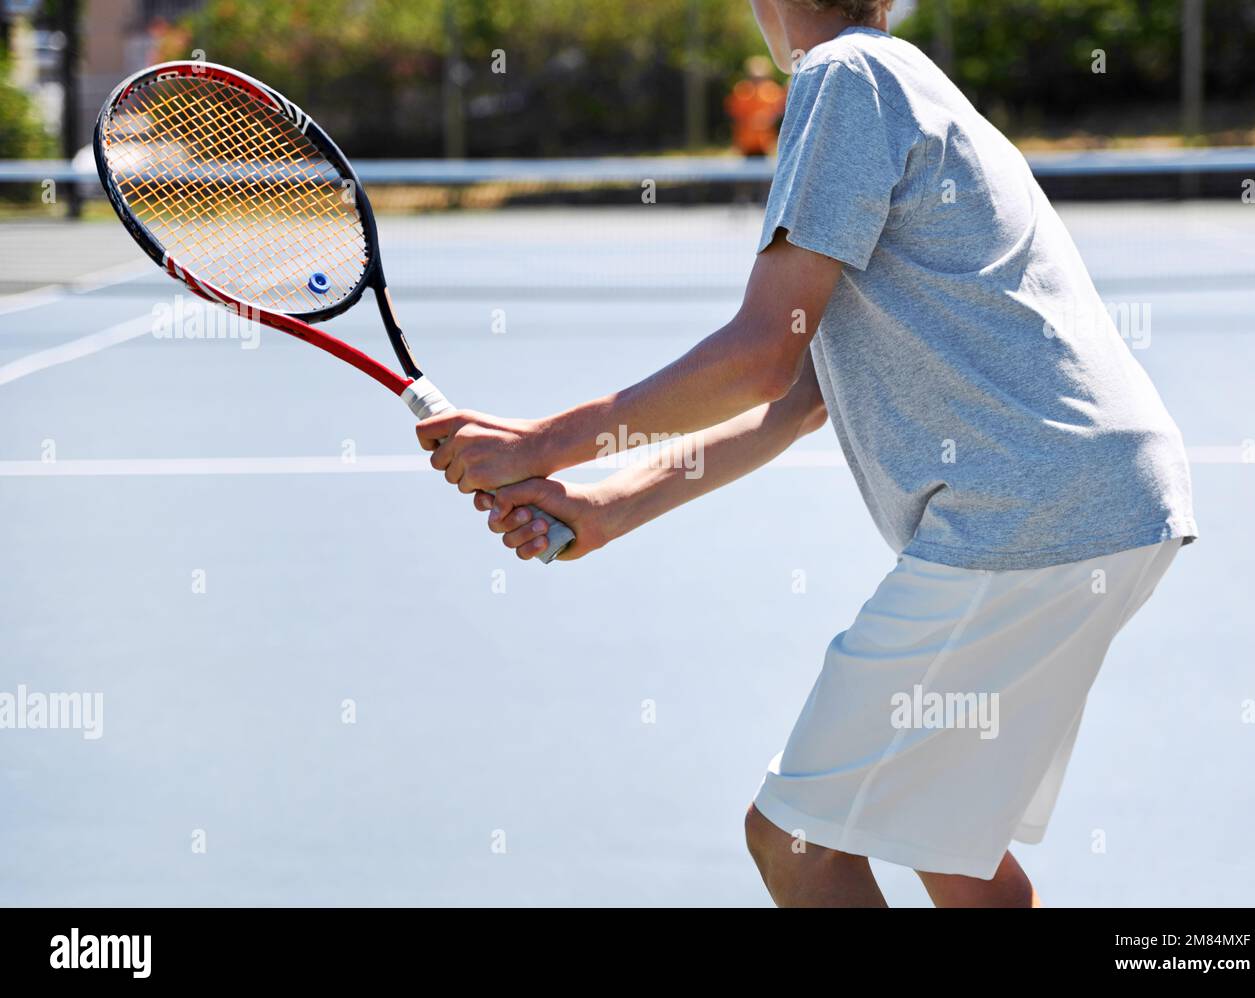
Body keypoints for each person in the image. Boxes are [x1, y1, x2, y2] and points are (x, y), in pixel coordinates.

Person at [415, 0, 1198, 908]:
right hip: (1110, 499)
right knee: (948, 847)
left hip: (1021, 512)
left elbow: (759, 356)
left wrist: (538, 442)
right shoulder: (908, 81)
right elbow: (795, 404)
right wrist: (607, 506)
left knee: (795, 838)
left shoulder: (841, 78)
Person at [724, 55, 787, 157]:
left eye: (761, 78)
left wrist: (767, 119)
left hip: (767, 143)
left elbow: (779, 111)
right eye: (754, 78)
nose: (758, 81)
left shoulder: (773, 90)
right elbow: (734, 113)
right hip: (745, 143)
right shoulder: (742, 90)